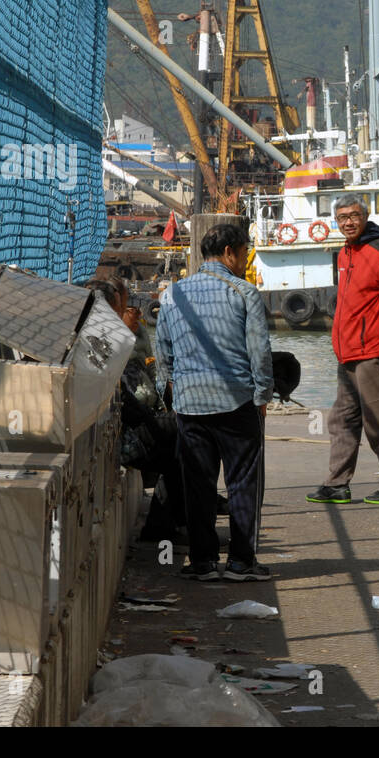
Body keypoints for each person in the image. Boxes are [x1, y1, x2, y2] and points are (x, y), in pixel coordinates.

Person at [155, 223, 274, 581]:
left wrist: (170, 394)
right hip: (236, 401)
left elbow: (163, 354)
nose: (245, 259)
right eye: (244, 252)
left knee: (198, 485)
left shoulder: (172, 295)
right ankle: (240, 562)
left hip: (189, 404)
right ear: (229, 253)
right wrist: (263, 395)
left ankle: (203, 562)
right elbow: (260, 353)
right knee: (242, 483)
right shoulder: (244, 293)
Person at [308, 193, 379, 505]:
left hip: (375, 351)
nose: (348, 222)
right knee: (341, 419)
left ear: (365, 217)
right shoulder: (345, 253)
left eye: (353, 216)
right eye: (342, 218)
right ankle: (336, 484)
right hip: (349, 353)